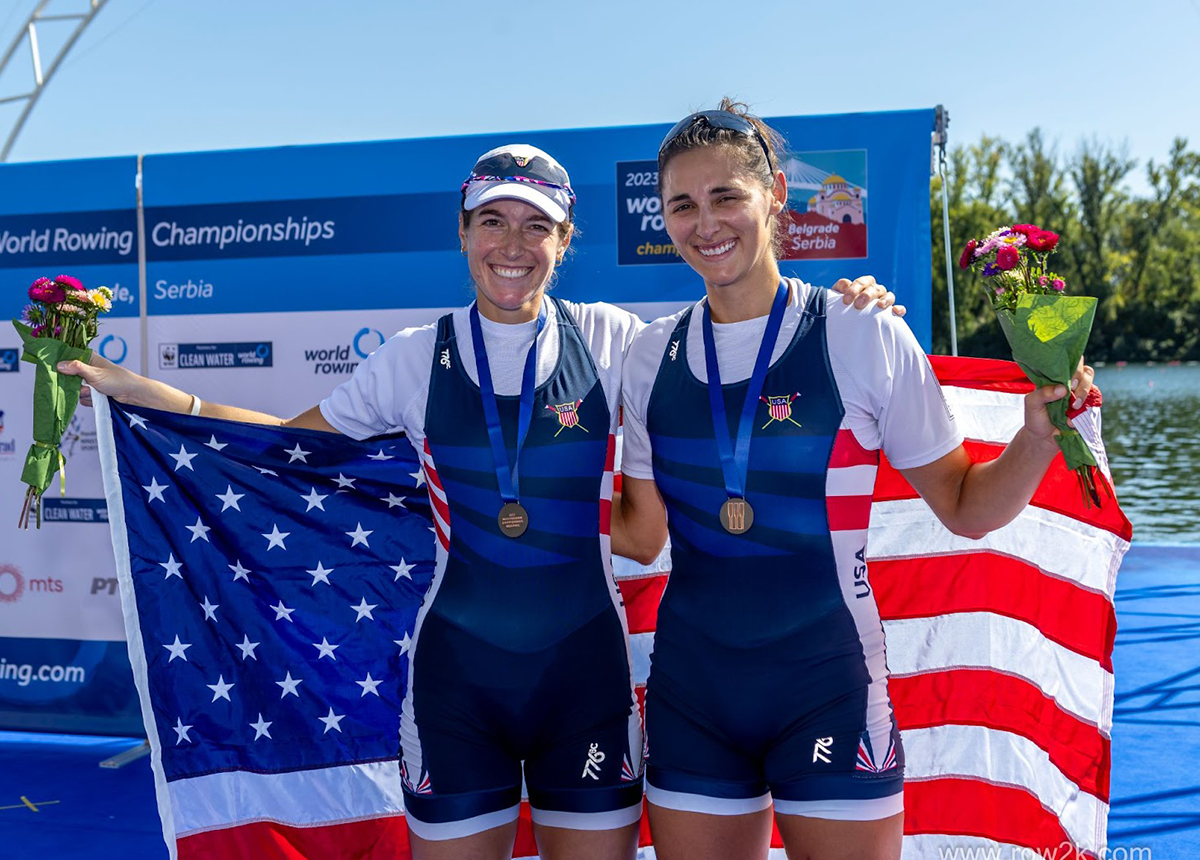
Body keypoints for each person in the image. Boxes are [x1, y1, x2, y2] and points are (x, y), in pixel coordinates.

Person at [62, 141, 899, 860]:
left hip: (589, 690)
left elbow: (748, 339)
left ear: (564, 241)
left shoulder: (621, 344)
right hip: (457, 688)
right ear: (463, 233)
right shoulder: (411, 358)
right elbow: (289, 445)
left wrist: (855, 308)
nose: (513, 244)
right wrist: (151, 397)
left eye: (537, 225)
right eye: (493, 221)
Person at [613, 102, 1095, 860]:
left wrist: (1037, 439)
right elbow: (639, 536)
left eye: (726, 196)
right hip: (692, 694)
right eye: (682, 204)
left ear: (774, 193)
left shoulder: (861, 332)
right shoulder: (648, 357)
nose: (704, 223)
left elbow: (967, 509)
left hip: (829, 685)